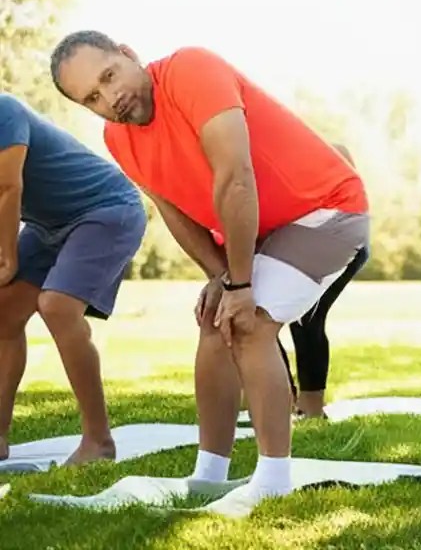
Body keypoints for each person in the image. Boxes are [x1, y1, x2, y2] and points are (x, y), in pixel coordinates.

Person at [50, 32, 370, 504]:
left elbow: (236, 176)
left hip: (326, 211)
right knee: (214, 322)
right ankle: (209, 474)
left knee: (250, 324)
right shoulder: (118, 138)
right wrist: (219, 277)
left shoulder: (190, 70)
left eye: (109, 76)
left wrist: (240, 284)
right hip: (263, 232)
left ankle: (274, 480)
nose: (110, 98)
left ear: (128, 54)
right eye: (92, 98)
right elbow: (172, 209)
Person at [0, 95, 146, 466]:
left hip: (107, 208)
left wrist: (7, 257)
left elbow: (7, 188)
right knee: (4, 315)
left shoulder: (4, 110)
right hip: (48, 225)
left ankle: (98, 441)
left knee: (58, 306)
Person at [275, 143, 370, 420]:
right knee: (269, 319)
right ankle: (282, 397)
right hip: (304, 246)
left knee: (307, 319)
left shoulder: (329, 149)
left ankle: (311, 407)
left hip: (342, 244)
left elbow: (352, 198)